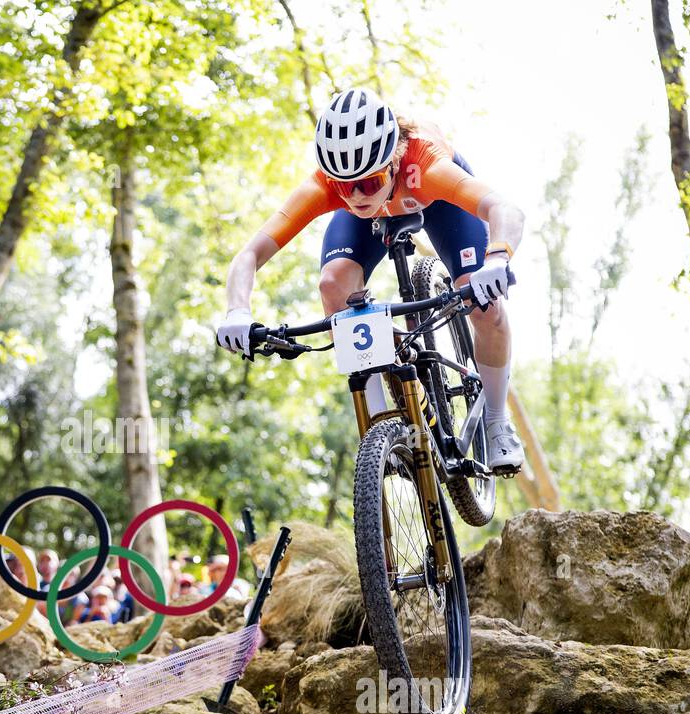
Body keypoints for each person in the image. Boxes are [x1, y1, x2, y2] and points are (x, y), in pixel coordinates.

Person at [216, 88, 526, 471]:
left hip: (436, 203)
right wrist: (237, 311)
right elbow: (249, 254)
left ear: (393, 161)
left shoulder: (425, 165)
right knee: (333, 285)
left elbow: (504, 209)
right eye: (344, 186)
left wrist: (497, 259)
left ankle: (496, 421)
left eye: (369, 182)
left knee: (483, 305)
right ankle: (380, 424)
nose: (357, 196)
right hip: (371, 222)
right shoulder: (333, 186)